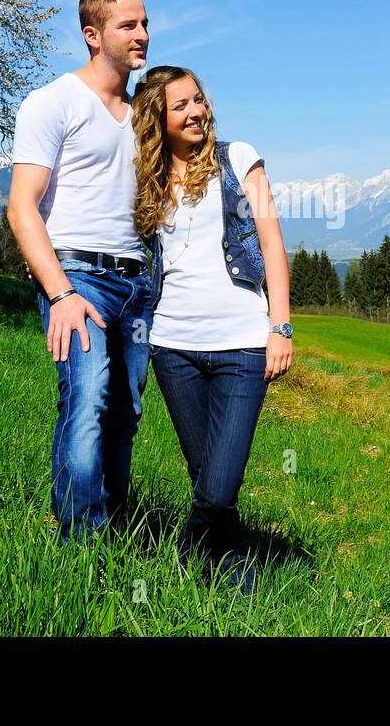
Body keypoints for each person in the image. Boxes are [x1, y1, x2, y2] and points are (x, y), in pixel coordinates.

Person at [130, 65, 293, 595]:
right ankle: (236, 571)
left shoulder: (237, 159)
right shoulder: (145, 177)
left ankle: (181, 560)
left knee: (220, 486)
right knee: (205, 478)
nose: (196, 112)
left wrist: (281, 326)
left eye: (198, 100)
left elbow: (271, 243)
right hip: (172, 346)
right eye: (181, 106)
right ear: (158, 117)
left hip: (242, 344)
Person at [7, 0, 152, 545]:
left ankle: (110, 530)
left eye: (144, 23)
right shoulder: (52, 102)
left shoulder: (144, 114)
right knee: (87, 401)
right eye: (128, 25)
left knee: (126, 414)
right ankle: (79, 551)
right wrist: (61, 293)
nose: (143, 34)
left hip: (139, 283)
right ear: (93, 35)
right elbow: (21, 208)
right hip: (80, 279)